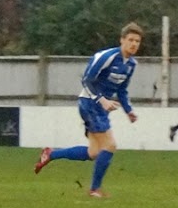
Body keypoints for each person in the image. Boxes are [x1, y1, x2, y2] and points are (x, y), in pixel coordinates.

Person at [33, 22, 142, 196]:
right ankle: (95, 189)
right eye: (131, 40)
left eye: (137, 41)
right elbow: (86, 80)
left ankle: (51, 153)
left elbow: (121, 89)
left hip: (101, 108)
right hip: (89, 103)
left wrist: (128, 110)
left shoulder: (131, 64)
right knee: (110, 145)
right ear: (122, 40)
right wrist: (102, 100)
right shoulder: (107, 57)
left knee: (94, 152)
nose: (134, 44)